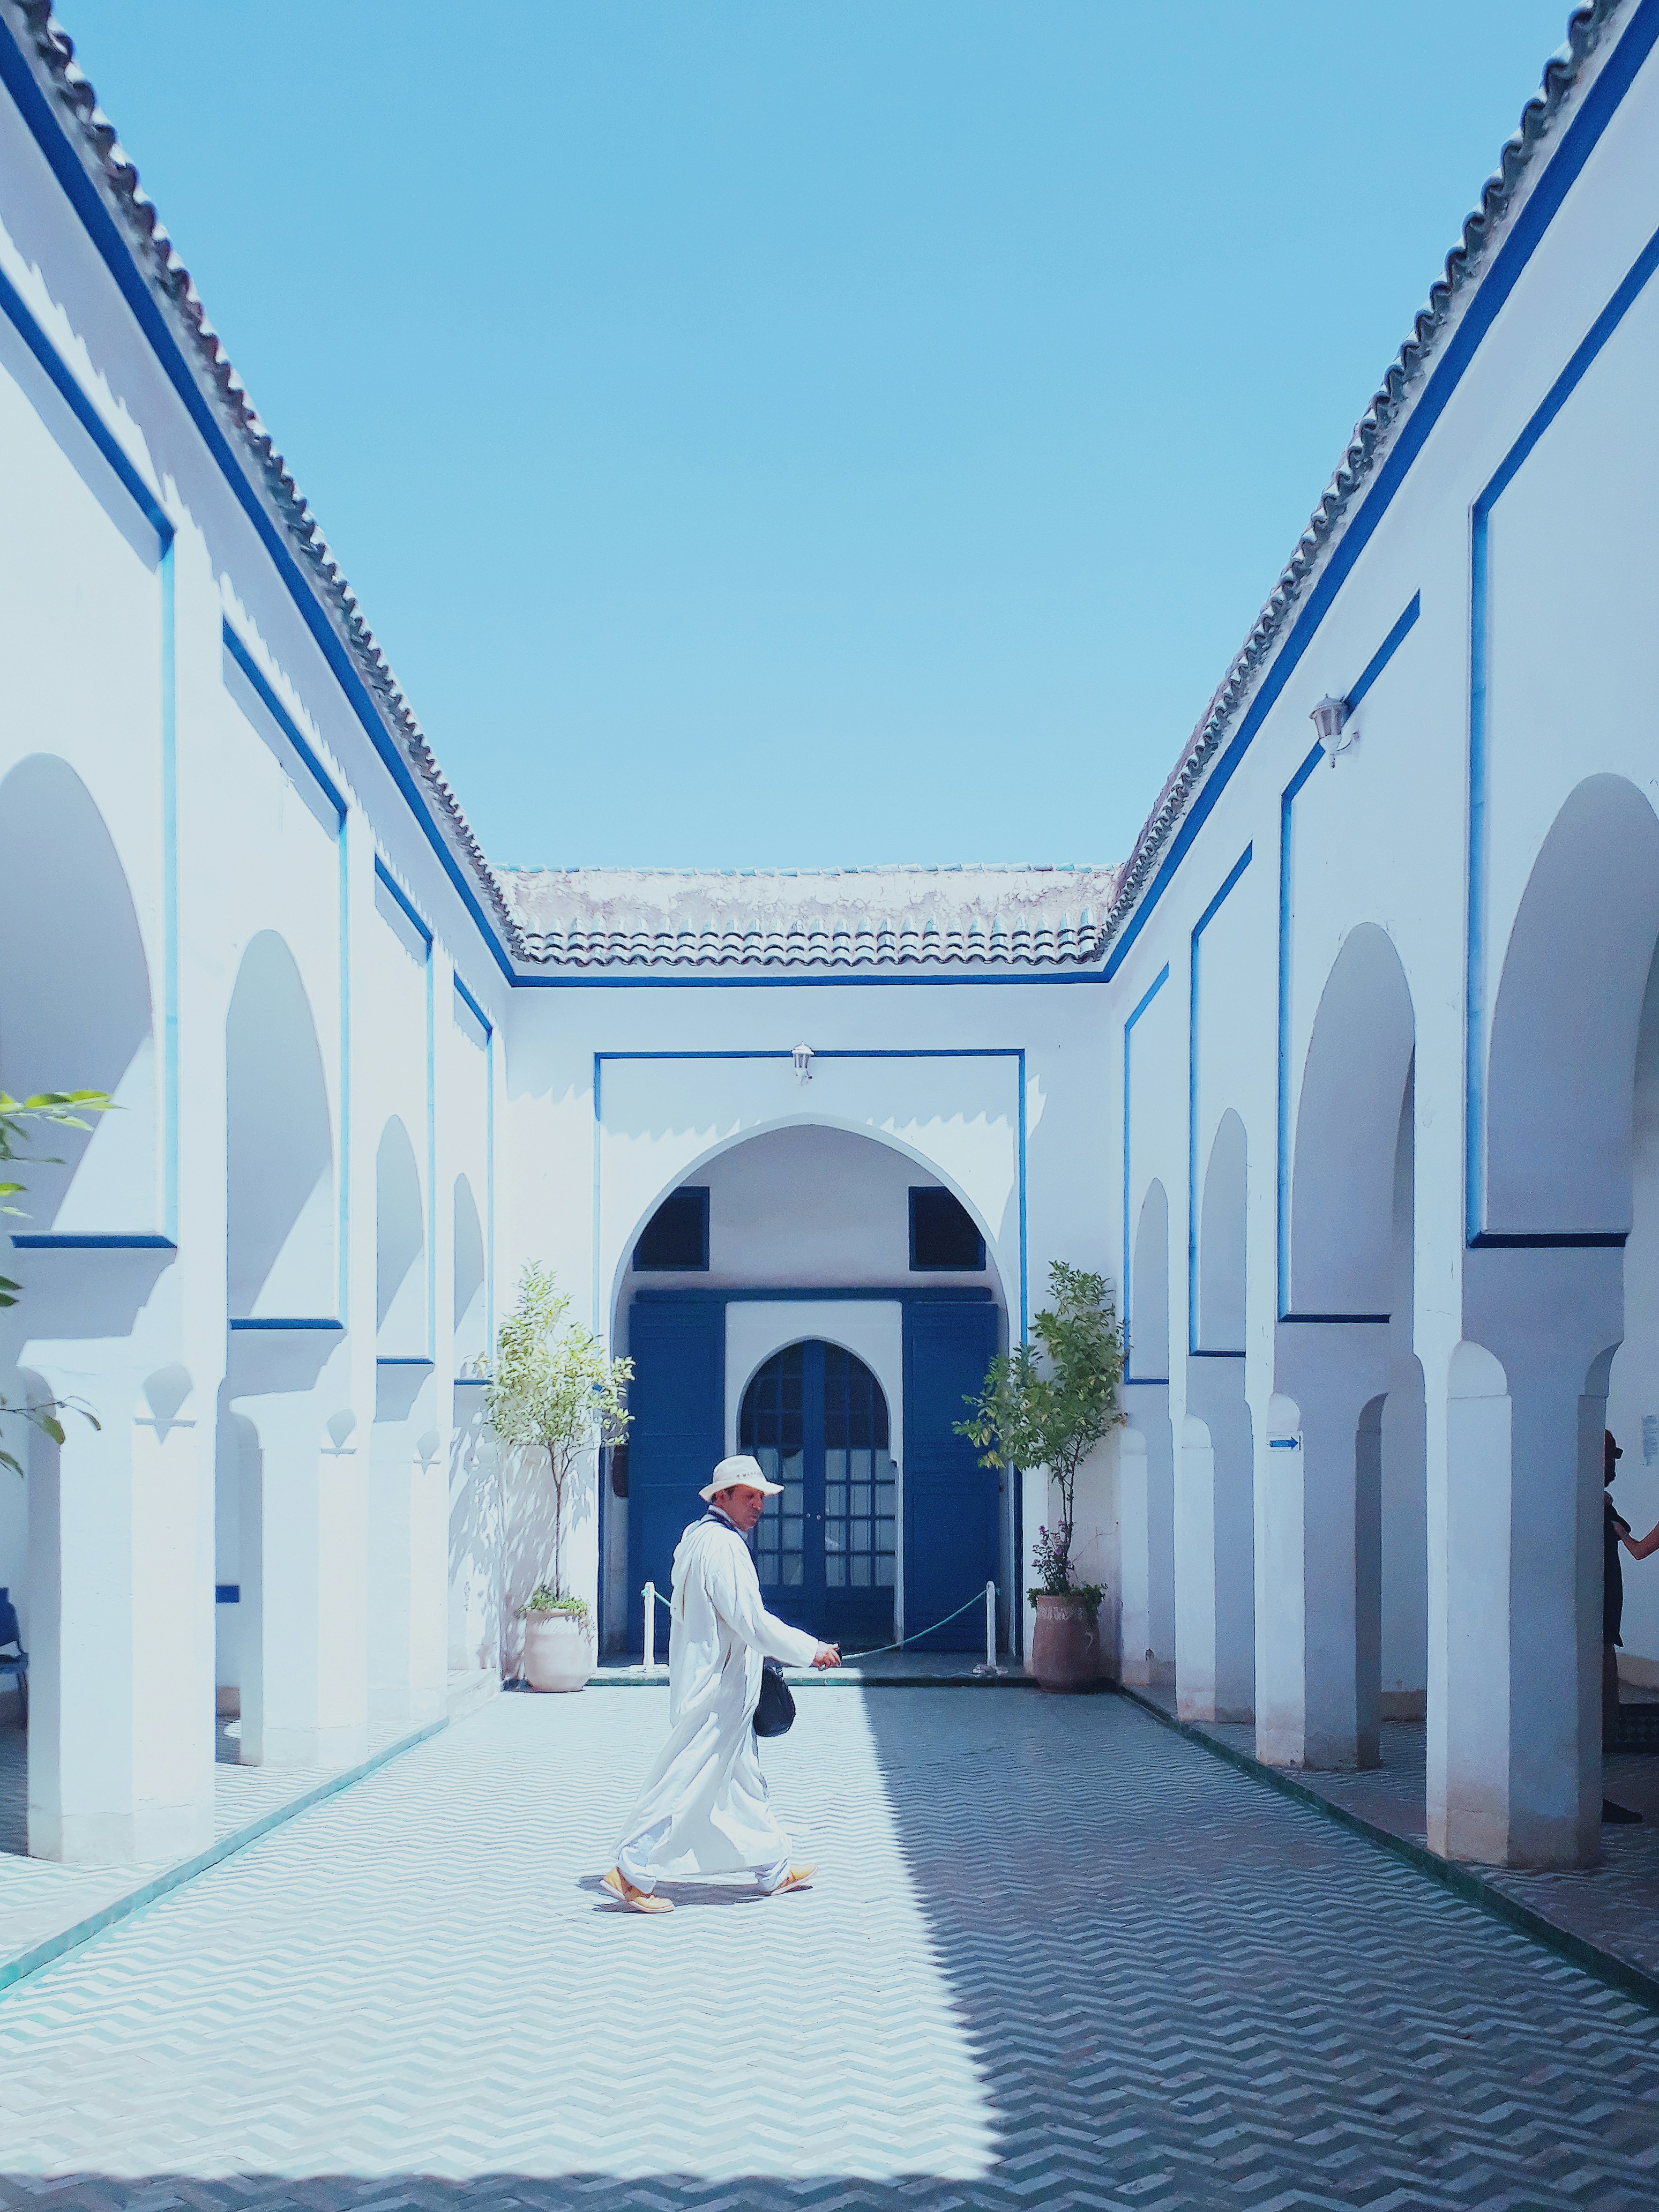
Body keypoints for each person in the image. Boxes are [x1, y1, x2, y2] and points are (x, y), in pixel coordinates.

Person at [603, 1454, 841, 1914]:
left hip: (718, 1679)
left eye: (760, 1497)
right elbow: (751, 1621)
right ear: (722, 1497)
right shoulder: (724, 1547)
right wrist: (810, 1650)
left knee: (745, 1779)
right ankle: (631, 1869)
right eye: (748, 1496)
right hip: (719, 1686)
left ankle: (772, 1866)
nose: (758, 1505)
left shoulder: (698, 1537)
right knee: (687, 1775)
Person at [1602, 1429, 1642, 1825]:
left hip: (1601, 1628)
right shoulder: (1596, 1504)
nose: (1614, 1466)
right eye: (1611, 1457)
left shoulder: (1601, 1504)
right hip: (1594, 1628)